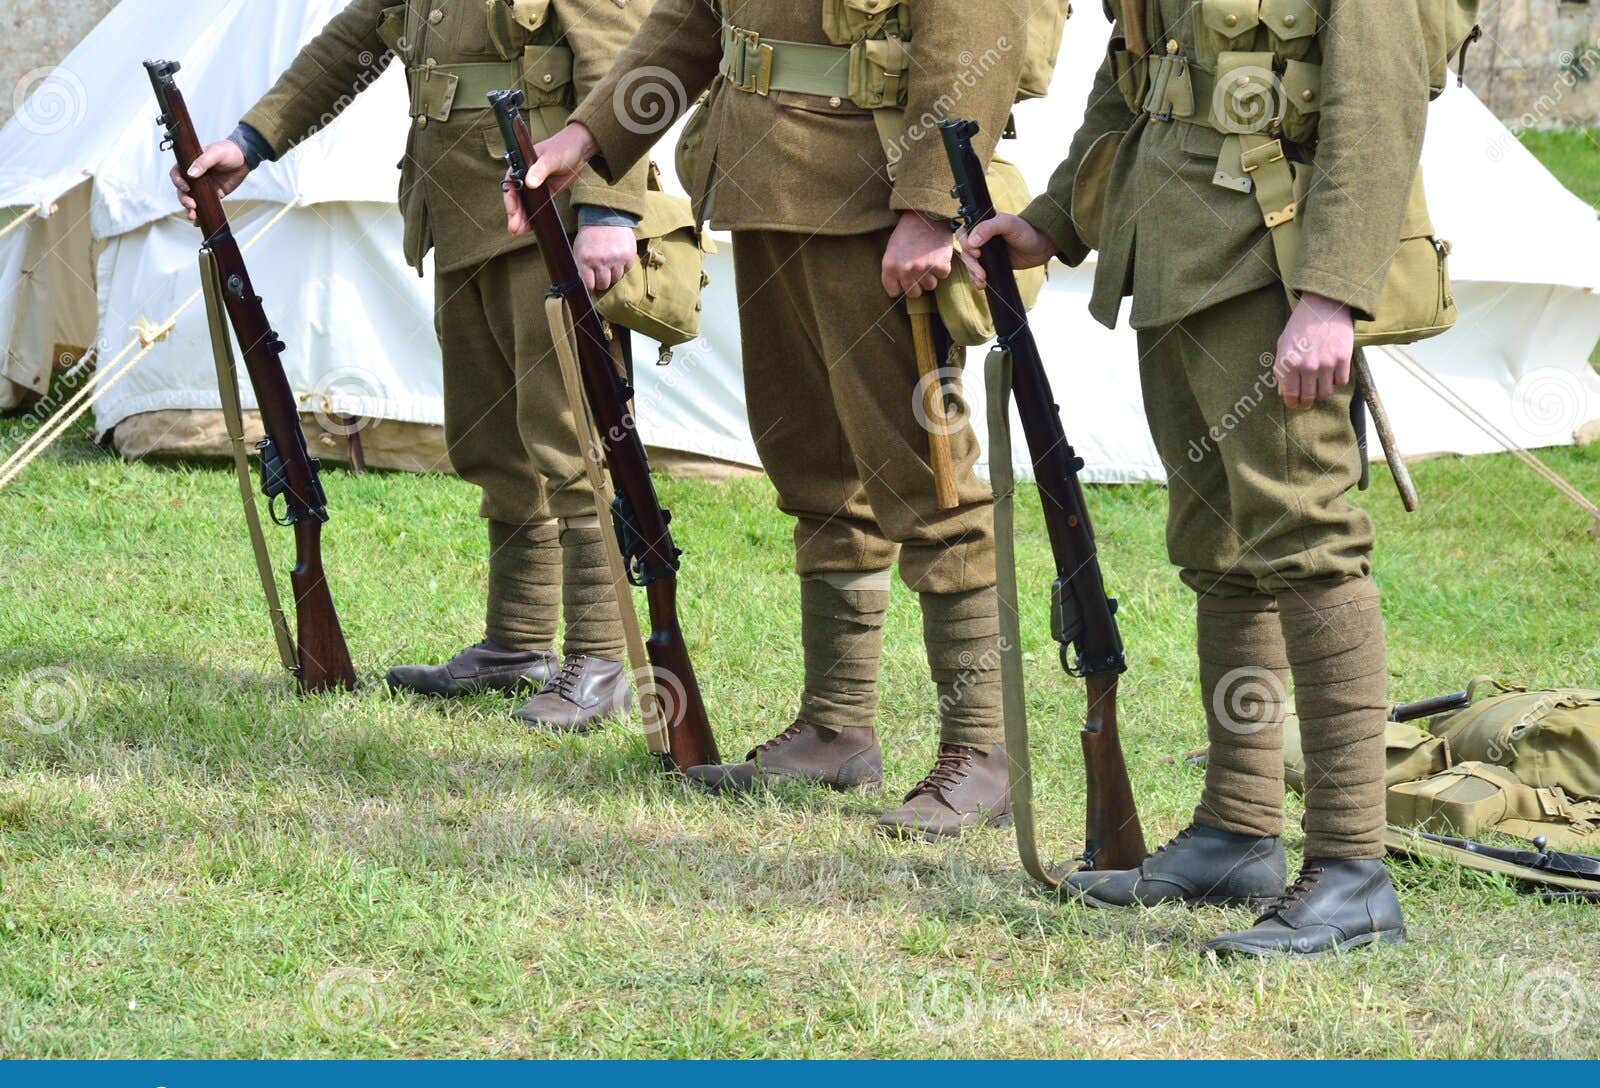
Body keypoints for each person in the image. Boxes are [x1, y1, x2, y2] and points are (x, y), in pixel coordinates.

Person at [961, 0, 1428, 954]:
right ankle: (1237, 828)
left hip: (1276, 255)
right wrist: (1055, 220)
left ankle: (1352, 871)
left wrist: (1334, 293)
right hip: (1174, 251)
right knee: (1221, 549)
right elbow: (1135, 76)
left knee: (1305, 538)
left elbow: (1379, 107)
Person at [509, 1, 1028, 838]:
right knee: (810, 467)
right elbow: (690, 22)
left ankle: (982, 751)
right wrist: (590, 138)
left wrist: (934, 205)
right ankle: (835, 726)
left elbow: (977, 32)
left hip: (881, 199)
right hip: (763, 183)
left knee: (928, 481)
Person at [171, 0, 650, 732]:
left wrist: (611, 211)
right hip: (457, 211)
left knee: (572, 441)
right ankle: (517, 644)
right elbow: (353, 43)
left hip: (549, 215)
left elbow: (626, 63)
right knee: (489, 442)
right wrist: (252, 141)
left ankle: (601, 659)